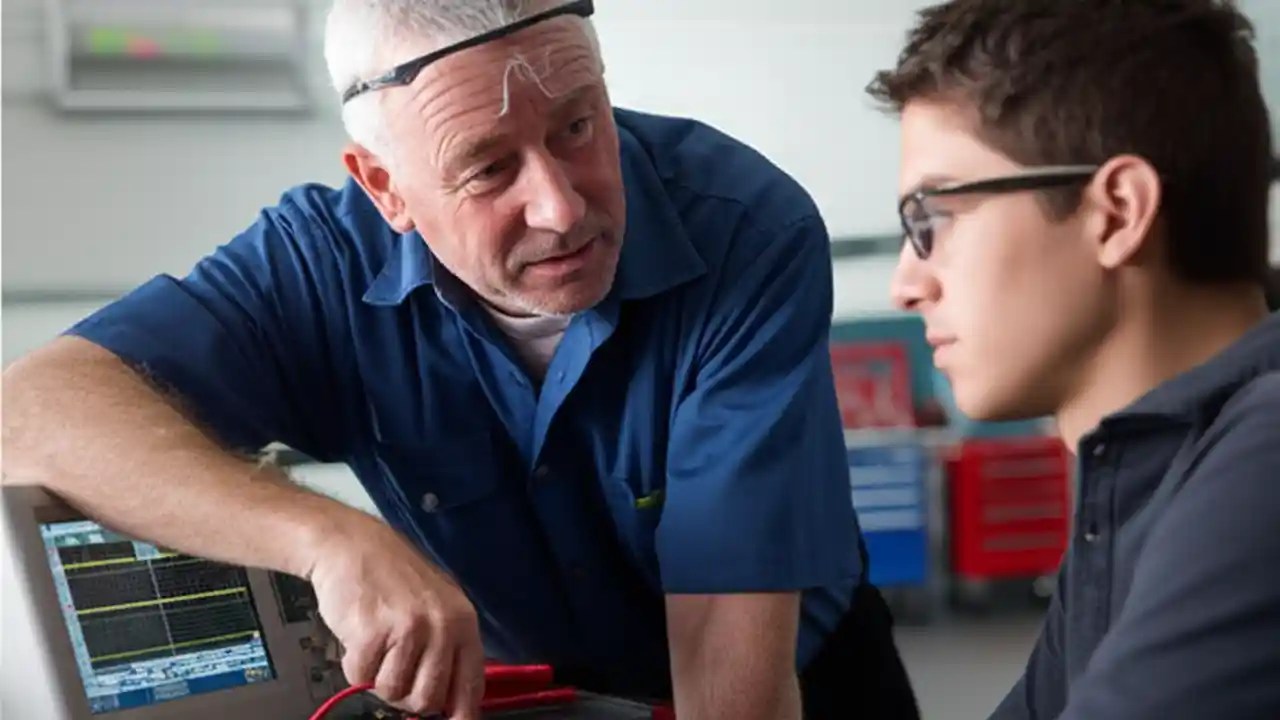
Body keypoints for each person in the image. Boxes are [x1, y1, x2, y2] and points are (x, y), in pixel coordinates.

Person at [1, 2, 921, 719]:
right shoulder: (318, 267)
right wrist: (330, 542)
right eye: (488, 168)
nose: (560, 206)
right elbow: (29, 410)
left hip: (792, 678)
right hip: (536, 695)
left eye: (577, 127)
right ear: (386, 189)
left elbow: (730, 663)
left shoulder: (742, 229)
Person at [873, 0, 1280, 717]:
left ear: (1117, 212)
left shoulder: (1265, 465)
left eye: (932, 218)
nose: (904, 285)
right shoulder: (1142, 474)